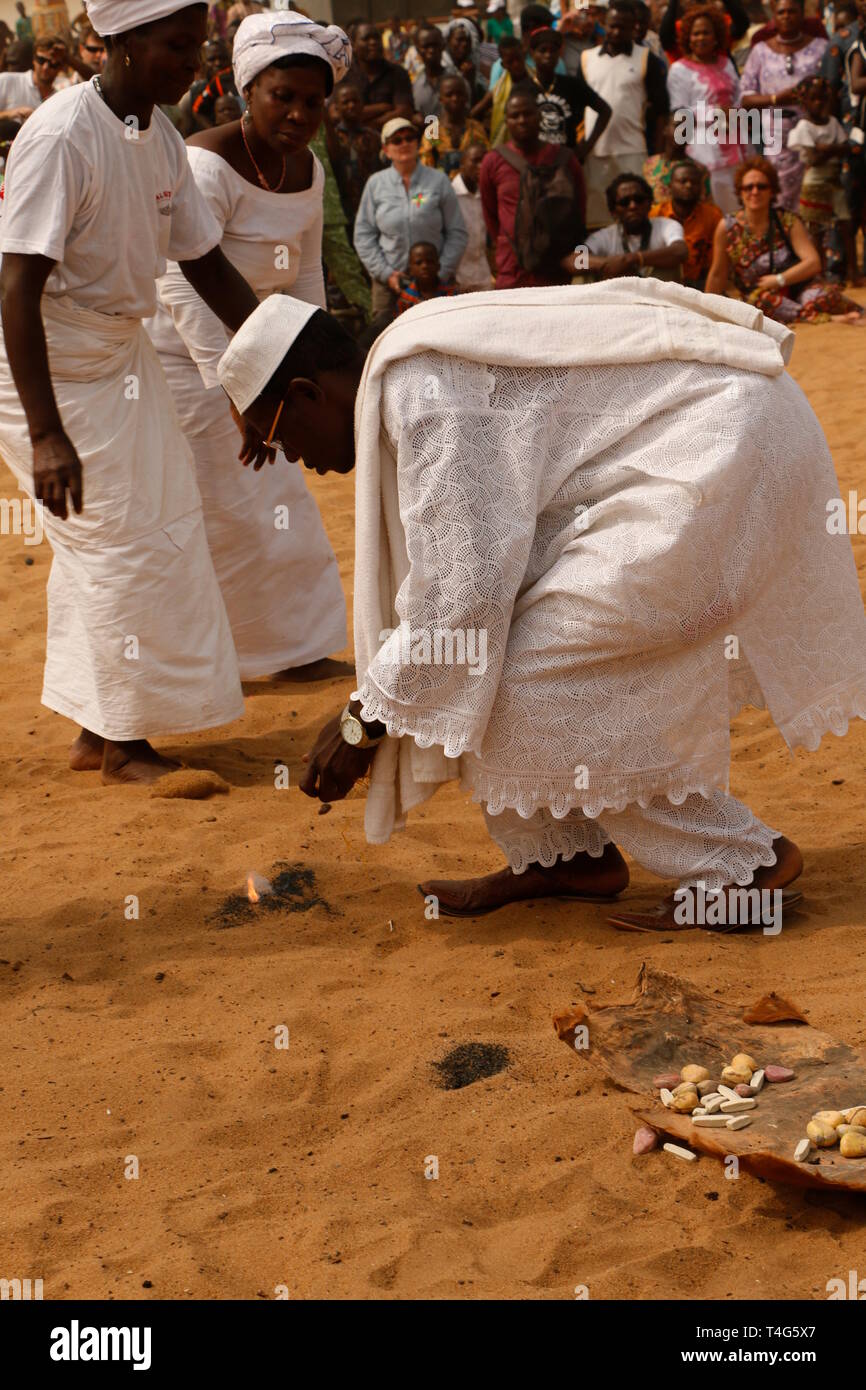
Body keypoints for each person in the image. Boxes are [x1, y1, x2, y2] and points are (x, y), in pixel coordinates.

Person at [219, 288, 866, 929]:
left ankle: (745, 864)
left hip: (725, 450)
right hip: (719, 436)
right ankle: (566, 855)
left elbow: (462, 604)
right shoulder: (412, 374)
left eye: (279, 440)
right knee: (501, 659)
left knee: (528, 676)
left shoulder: (425, 400)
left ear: (307, 394)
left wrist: (364, 720)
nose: (294, 462)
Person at [0, 0, 272, 786]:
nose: (191, 63)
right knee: (117, 540)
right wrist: (48, 435)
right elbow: (16, 290)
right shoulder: (58, 135)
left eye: (197, 46)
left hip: (119, 353)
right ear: (116, 41)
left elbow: (206, 263)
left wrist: (272, 360)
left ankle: (98, 729)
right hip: (44, 362)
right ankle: (126, 748)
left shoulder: (161, 141)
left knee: (159, 522)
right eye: (174, 46)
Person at [147, 12, 352, 682]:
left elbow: (307, 273)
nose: (298, 114)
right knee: (221, 510)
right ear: (247, 92)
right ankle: (212, 664)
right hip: (187, 362)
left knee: (274, 504)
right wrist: (237, 388)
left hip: (263, 369)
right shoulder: (205, 163)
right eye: (282, 96)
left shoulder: (310, 170)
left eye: (312, 102)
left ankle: (289, 651)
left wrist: (315, 365)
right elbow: (182, 285)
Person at [705, 153, 864, 317]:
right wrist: (704, 311)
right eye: (748, 187)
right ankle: (828, 319)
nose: (755, 191)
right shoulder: (727, 227)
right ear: (740, 192)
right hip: (760, 297)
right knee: (761, 304)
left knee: (821, 296)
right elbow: (718, 274)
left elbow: (813, 262)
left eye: (761, 186)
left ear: (772, 191)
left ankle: (847, 315)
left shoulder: (786, 221)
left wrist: (779, 279)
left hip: (796, 287)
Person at [354, 116, 469, 317]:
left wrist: (438, 274)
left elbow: (457, 232)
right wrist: (386, 274)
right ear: (386, 149)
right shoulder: (375, 184)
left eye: (409, 138)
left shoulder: (438, 180)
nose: (404, 144)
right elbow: (363, 236)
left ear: (417, 143)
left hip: (435, 286)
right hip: (389, 285)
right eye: (397, 141)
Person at [479, 84, 586, 286]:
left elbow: (579, 212)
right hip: (513, 269)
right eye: (514, 115)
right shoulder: (492, 162)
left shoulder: (565, 159)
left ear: (539, 116)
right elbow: (491, 217)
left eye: (527, 114)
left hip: (557, 268)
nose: (521, 120)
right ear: (506, 121)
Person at [581, 0, 670, 227]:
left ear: (634, 28)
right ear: (605, 24)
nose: (617, 32)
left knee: (638, 219)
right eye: (612, 26)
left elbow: (661, 110)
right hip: (596, 154)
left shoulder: (646, 59)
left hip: (633, 151)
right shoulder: (587, 59)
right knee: (600, 222)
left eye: (623, 27)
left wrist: (657, 156)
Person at [740, 0, 828, 209]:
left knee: (814, 193)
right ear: (774, 15)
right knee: (778, 193)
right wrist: (777, 99)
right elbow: (745, 99)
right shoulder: (761, 51)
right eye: (781, 12)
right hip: (776, 134)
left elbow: (831, 90)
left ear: (801, 13)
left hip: (812, 133)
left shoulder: (820, 48)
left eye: (792, 11)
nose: (787, 16)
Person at [666, 5, 746, 213]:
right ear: (688, 38)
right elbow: (680, 113)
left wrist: (735, 112)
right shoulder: (679, 70)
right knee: (714, 210)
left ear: (716, 36)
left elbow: (739, 97)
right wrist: (716, 113)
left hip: (736, 143)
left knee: (739, 206)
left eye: (706, 33)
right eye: (695, 33)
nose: (700, 38)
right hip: (704, 149)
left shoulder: (726, 62)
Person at [788, 73, 856, 279]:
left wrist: (824, 148)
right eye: (814, 99)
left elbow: (842, 149)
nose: (819, 103)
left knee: (845, 224)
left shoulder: (832, 122)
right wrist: (833, 149)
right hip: (815, 182)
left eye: (822, 99)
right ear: (804, 102)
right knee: (816, 230)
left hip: (833, 180)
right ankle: (818, 274)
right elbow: (814, 159)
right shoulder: (803, 127)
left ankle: (852, 270)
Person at [585, 170, 688, 276]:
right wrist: (608, 264)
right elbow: (574, 259)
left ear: (649, 203)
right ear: (613, 211)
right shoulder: (604, 236)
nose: (633, 206)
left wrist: (633, 259)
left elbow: (680, 251)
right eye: (624, 202)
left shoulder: (667, 225)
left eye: (639, 199)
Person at [528, 25, 613, 151]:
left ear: (559, 53)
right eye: (542, 50)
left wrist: (586, 147)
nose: (548, 55)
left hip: (565, 162)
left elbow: (605, 111)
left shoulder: (572, 85)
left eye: (553, 51)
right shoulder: (523, 88)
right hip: (534, 161)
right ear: (532, 53)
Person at [652, 156, 722, 285]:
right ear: (670, 186)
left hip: (701, 283)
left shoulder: (713, 215)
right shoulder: (656, 214)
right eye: (683, 181)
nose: (689, 185)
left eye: (694, 182)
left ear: (701, 187)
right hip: (663, 282)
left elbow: (717, 261)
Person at [342, 20, 413, 131]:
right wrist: (383, 107)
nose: (373, 42)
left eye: (376, 38)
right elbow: (338, 113)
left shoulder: (398, 73)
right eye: (366, 39)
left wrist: (369, 125)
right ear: (353, 45)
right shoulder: (344, 74)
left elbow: (404, 112)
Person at [326, 80, 382, 221]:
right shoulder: (332, 138)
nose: (351, 105)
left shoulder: (374, 137)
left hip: (373, 203)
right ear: (337, 107)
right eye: (346, 102)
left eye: (355, 101)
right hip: (342, 205)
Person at [420, 71, 489, 175]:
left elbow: (486, 163)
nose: (455, 98)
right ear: (441, 99)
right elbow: (426, 168)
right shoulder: (433, 132)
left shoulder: (476, 128)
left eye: (459, 94)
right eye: (449, 94)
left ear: (466, 97)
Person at [471, 34, 529, 144]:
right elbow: (478, 109)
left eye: (518, 59)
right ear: (503, 64)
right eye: (510, 62)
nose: (516, 65)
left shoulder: (536, 81)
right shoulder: (498, 88)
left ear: (524, 55)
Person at [453, 142, 494, 287]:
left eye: (484, 160)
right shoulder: (450, 194)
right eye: (475, 160)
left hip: (482, 275)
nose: (481, 165)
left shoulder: (487, 193)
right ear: (462, 164)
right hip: (456, 277)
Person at [0, 34, 62, 120]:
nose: (45, 67)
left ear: (61, 66)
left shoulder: (61, 97)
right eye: (41, 60)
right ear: (33, 59)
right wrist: (10, 114)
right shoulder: (6, 81)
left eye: (52, 63)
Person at [395, 240, 460, 311]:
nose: (424, 266)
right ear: (410, 269)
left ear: (438, 266)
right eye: (418, 263)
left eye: (430, 261)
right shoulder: (405, 298)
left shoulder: (450, 293)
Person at [412, 24, 449, 121]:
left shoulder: (456, 80)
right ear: (417, 49)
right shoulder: (413, 83)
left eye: (435, 45)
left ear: (443, 46)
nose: (431, 50)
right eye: (426, 46)